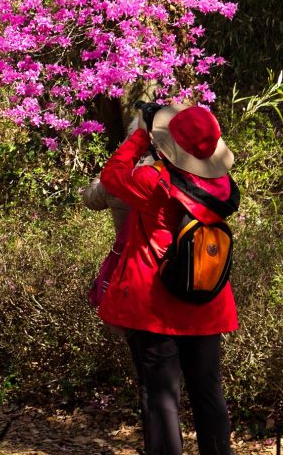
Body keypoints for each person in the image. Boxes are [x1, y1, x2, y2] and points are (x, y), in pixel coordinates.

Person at [98, 104, 239, 455]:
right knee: (208, 392)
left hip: (157, 306)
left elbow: (112, 176)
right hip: (207, 301)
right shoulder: (222, 185)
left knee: (160, 397)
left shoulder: (154, 181)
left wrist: (139, 137)